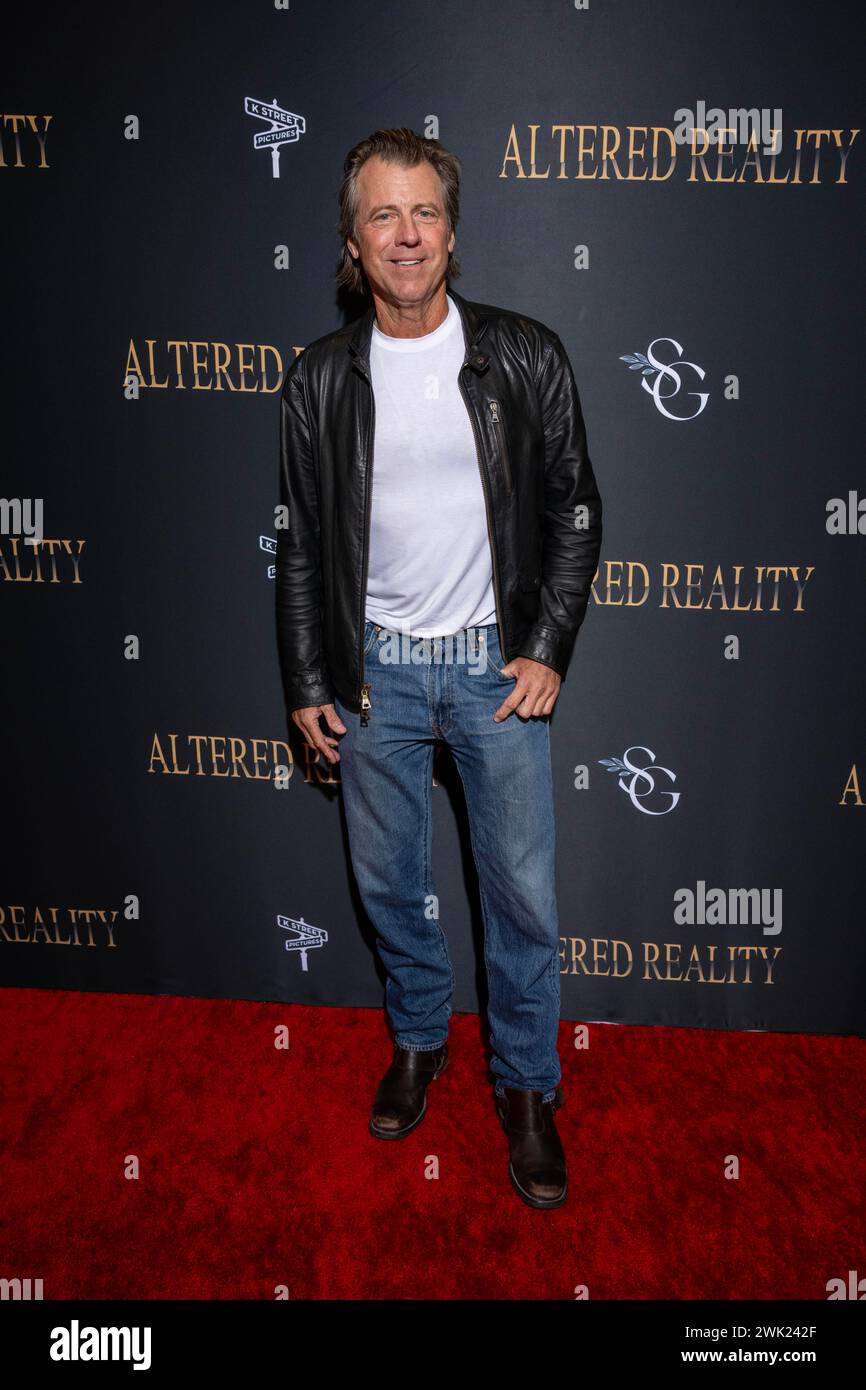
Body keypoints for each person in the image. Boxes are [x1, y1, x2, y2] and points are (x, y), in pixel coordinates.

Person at [276, 127, 603, 1210]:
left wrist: (545, 645)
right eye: (382, 214)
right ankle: (419, 1038)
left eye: (422, 212)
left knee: (519, 898)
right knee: (385, 887)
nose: (405, 234)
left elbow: (573, 508)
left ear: (451, 232)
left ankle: (523, 1089)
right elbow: (303, 542)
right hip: (372, 677)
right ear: (351, 239)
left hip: (489, 672)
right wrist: (306, 679)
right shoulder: (318, 379)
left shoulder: (522, 352)